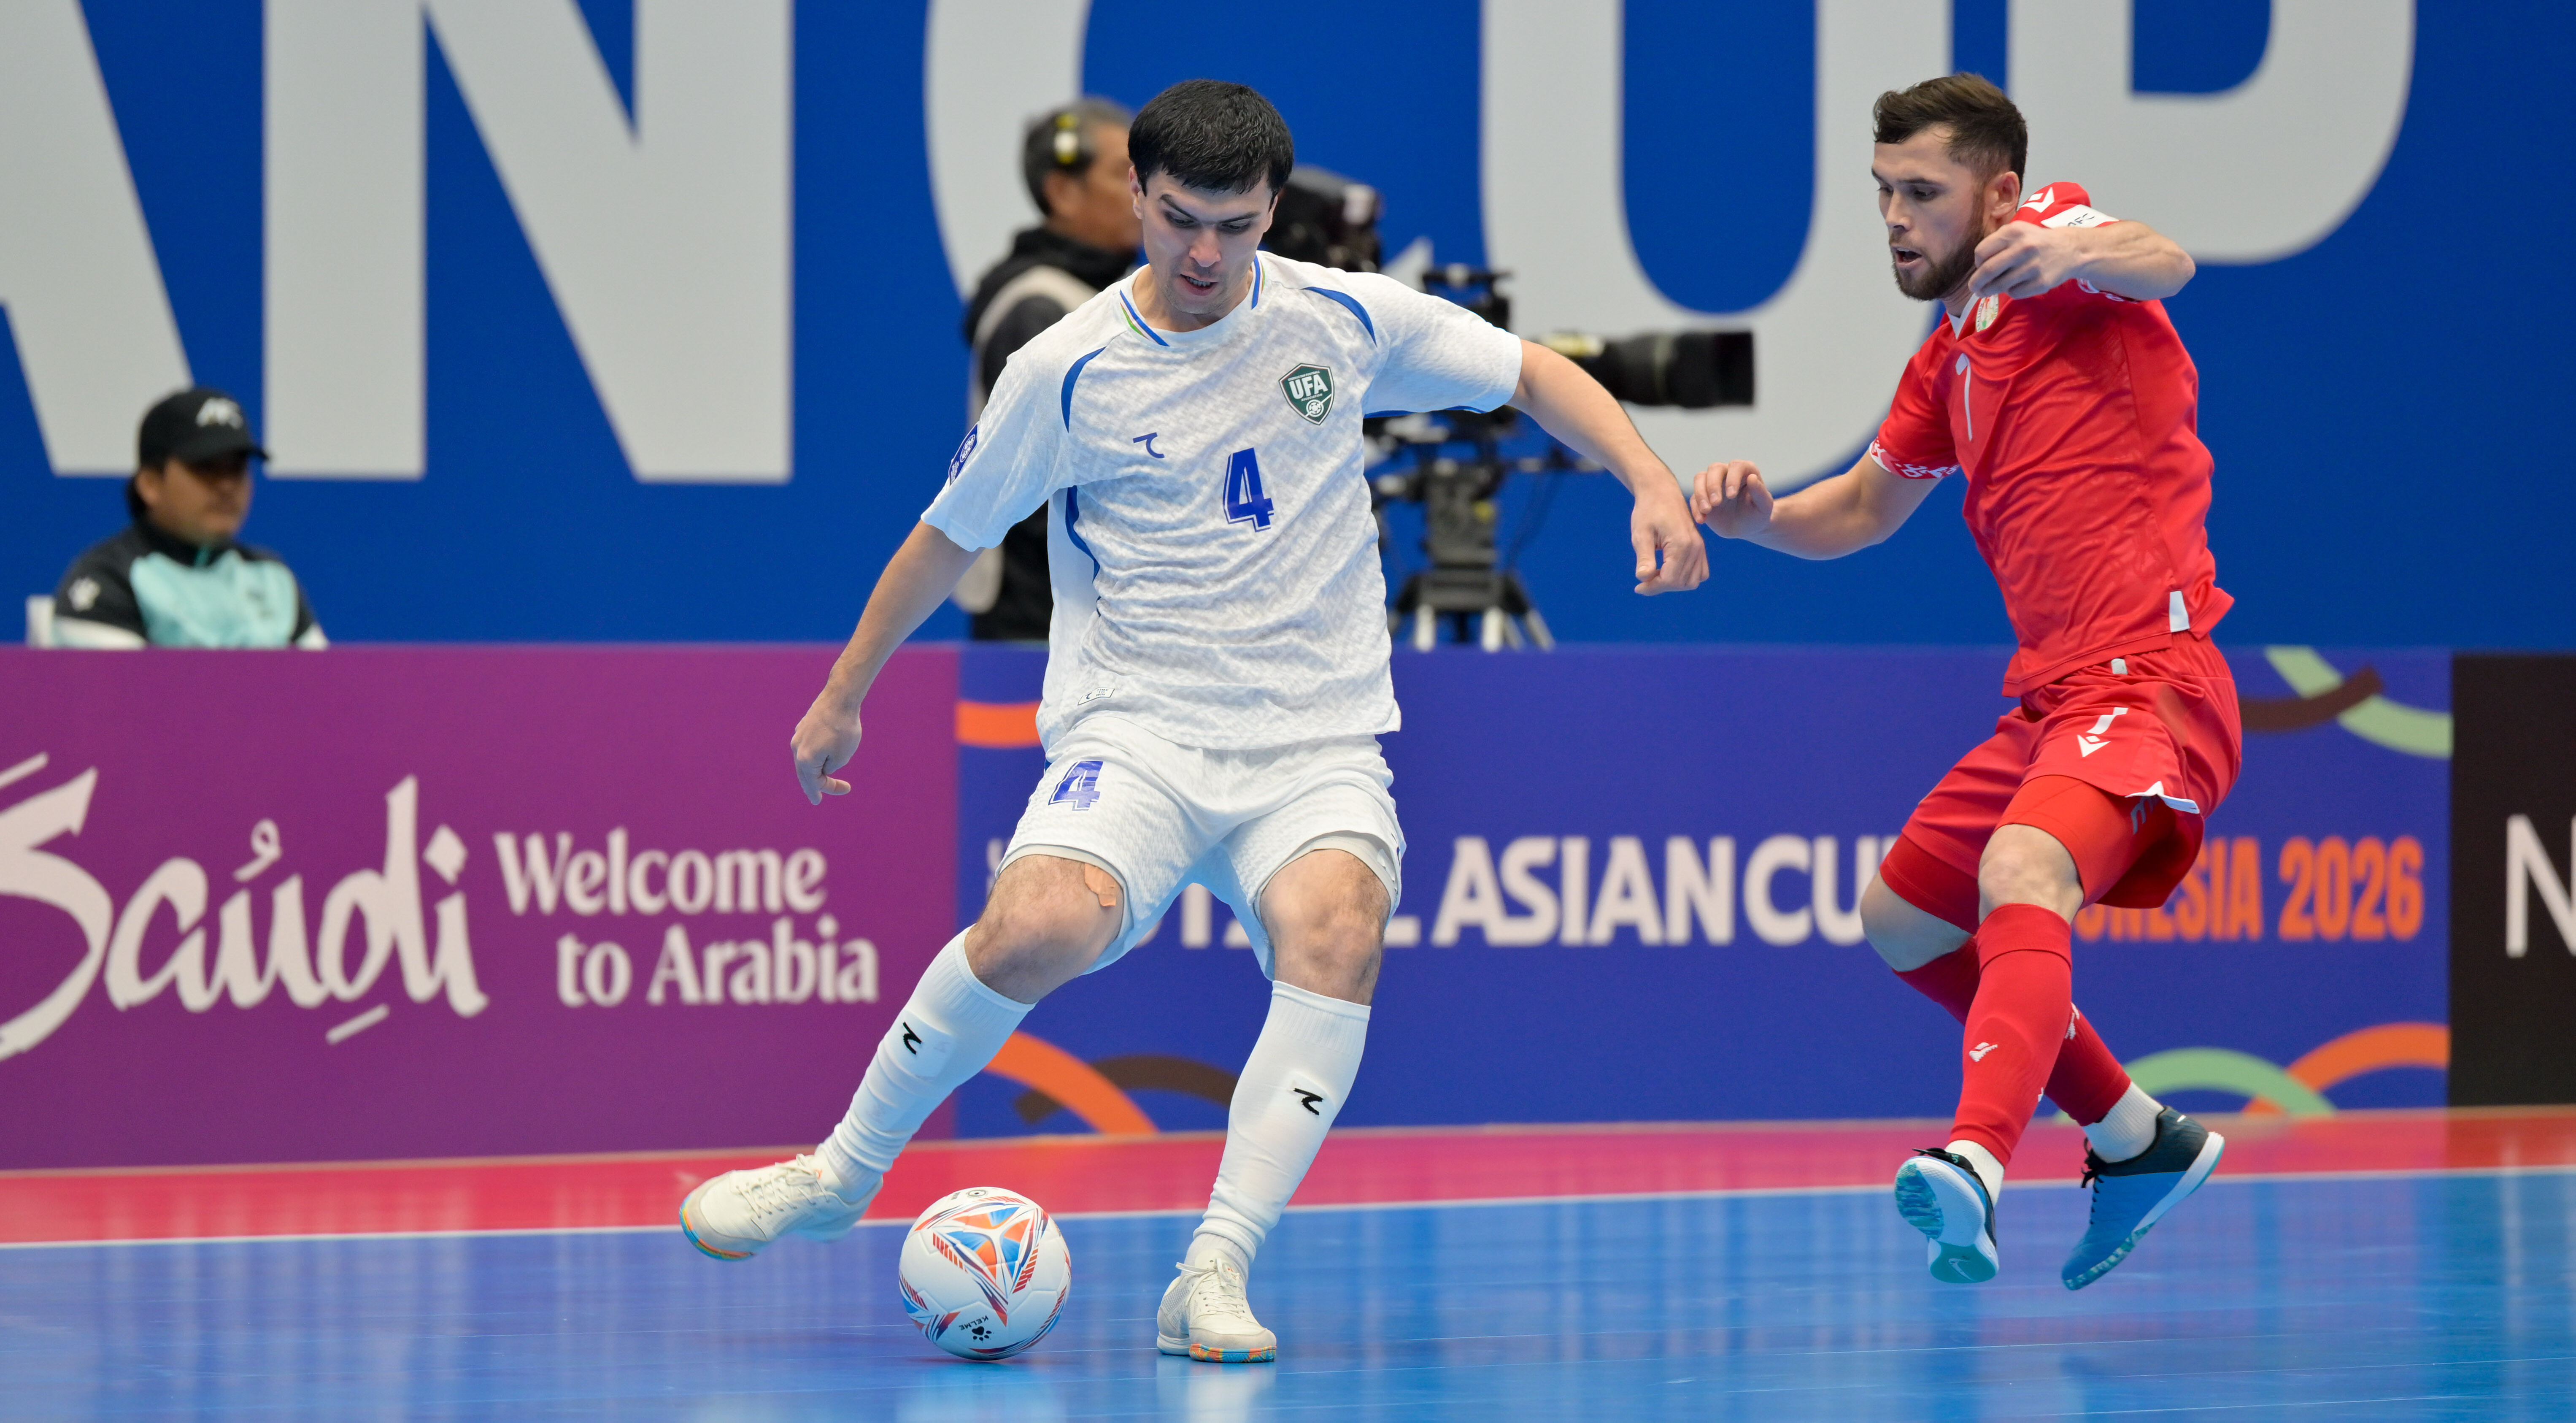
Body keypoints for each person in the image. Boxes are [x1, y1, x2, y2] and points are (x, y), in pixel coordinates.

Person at [682, 78, 1708, 1361]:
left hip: (1314, 743)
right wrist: (844, 693)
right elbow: (948, 537)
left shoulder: (1341, 316)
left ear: (1272, 205)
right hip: (1140, 734)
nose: (1206, 253)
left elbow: (1532, 371)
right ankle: (838, 1174)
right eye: (1178, 220)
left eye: (1234, 222)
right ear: (1137, 199)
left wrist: (1649, 479)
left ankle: (1211, 1270)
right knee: (1034, 925)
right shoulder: (1062, 368)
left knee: (1335, 931)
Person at [1692, 73, 2233, 1290]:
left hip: (2150, 676)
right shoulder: (1949, 357)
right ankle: (2136, 1135)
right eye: (1882, 192)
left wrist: (2065, 244)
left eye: (1921, 194)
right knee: (1900, 917)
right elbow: (1863, 511)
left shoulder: (2068, 255)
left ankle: (1979, 1161)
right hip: (2052, 700)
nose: (1894, 217)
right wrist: (1756, 517)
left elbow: (2168, 262)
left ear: (1995, 195)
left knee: (2018, 869)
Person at [952, 98, 1143, 641]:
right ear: (1062, 192)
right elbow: (1046, 484)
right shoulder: (1037, 308)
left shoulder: (1112, 300)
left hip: (1095, 612)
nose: (1141, 189)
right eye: (1121, 173)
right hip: (1039, 623)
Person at [51, 386, 324, 649]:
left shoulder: (273, 578)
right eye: (206, 467)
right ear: (151, 484)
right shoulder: (108, 579)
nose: (226, 486)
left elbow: (326, 691)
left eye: (237, 468)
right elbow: (116, 695)